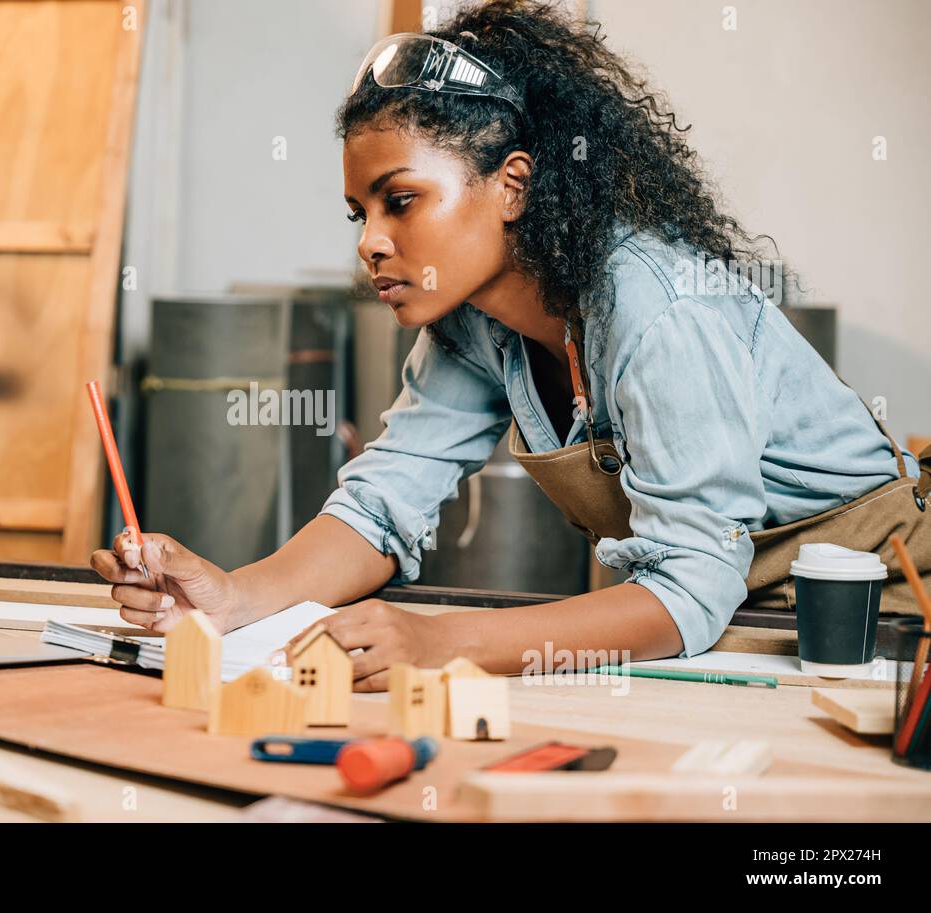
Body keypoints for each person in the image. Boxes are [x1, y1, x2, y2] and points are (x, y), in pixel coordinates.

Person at [91, 0, 930, 690]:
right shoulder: (473, 321)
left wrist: (436, 642)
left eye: (402, 201)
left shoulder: (657, 306)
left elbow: (681, 594)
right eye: (361, 213)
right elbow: (381, 508)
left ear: (512, 185)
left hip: (888, 620)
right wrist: (231, 597)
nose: (371, 242)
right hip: (743, 631)